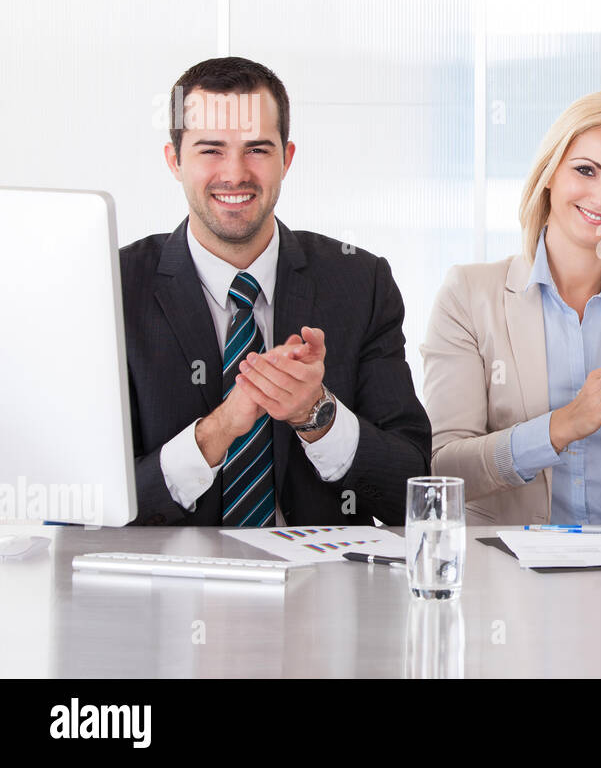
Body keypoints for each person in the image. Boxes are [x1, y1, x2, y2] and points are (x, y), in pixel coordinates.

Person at [121, 56, 431, 527]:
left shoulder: (360, 283)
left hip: (319, 587)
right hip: (171, 591)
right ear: (174, 160)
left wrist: (317, 415)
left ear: (286, 159)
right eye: (210, 150)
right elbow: (93, 509)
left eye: (257, 150)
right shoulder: (117, 288)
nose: (235, 173)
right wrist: (220, 429)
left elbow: (410, 495)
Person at [421, 91, 601, 526]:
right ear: (549, 173)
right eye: (585, 170)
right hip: (510, 569)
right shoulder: (469, 295)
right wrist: (561, 426)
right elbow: (445, 470)